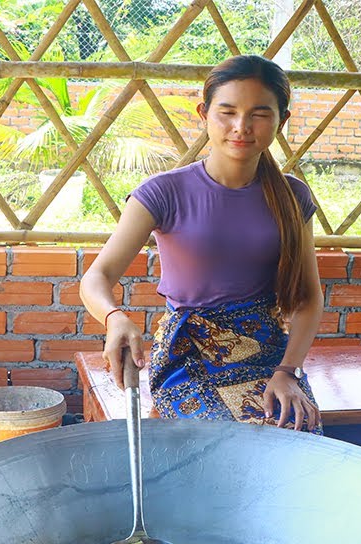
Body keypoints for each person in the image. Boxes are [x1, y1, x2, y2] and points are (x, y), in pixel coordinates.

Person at [80, 54, 323, 433]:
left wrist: (288, 372)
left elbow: (308, 298)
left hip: (269, 353)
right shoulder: (163, 192)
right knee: (223, 441)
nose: (241, 127)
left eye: (259, 114)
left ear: (282, 120)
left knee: (295, 433)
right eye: (227, 111)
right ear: (204, 113)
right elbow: (98, 276)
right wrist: (115, 318)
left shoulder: (293, 197)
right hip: (186, 354)